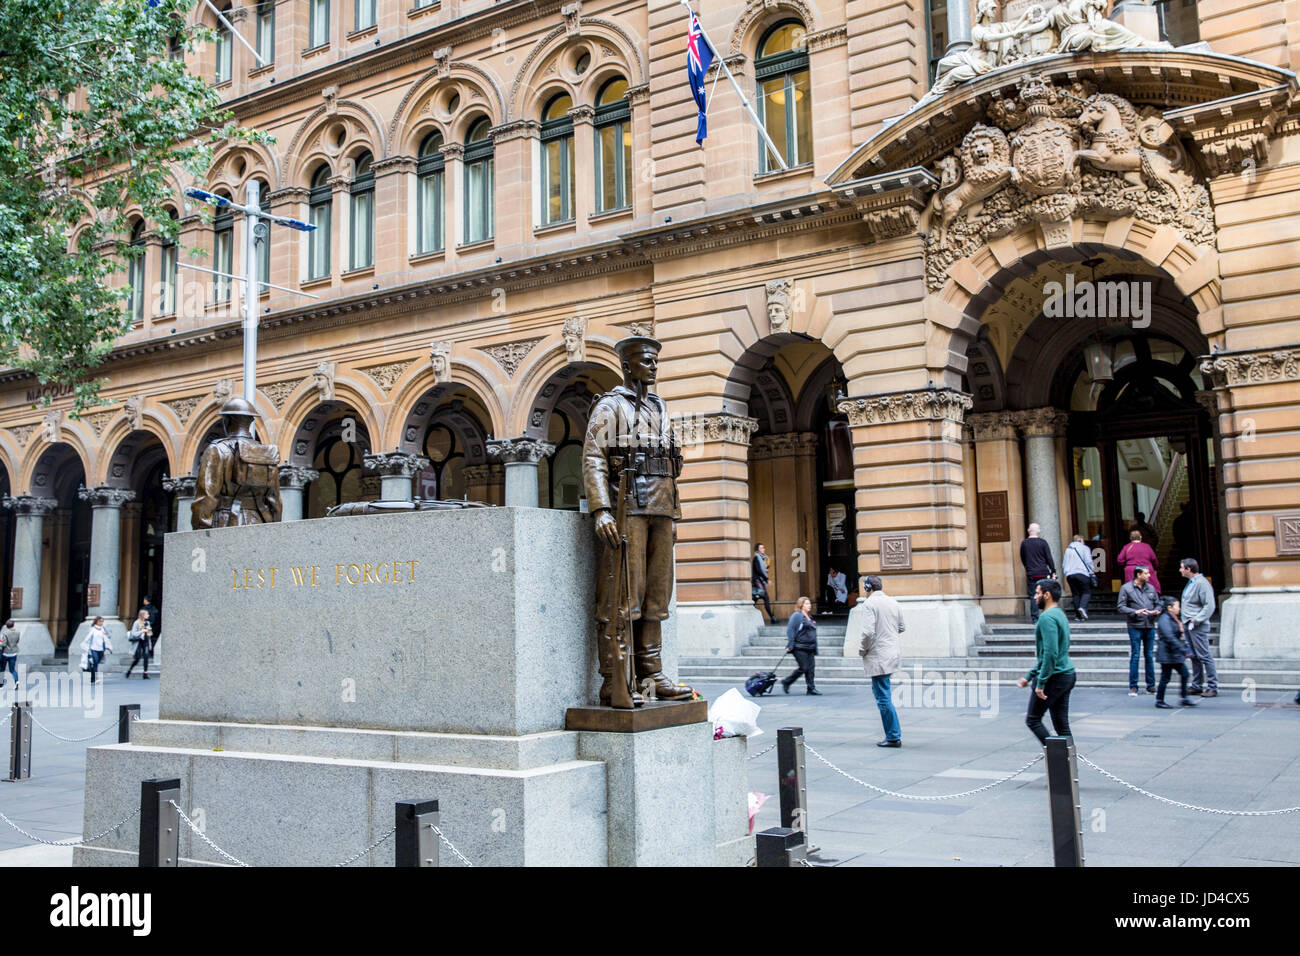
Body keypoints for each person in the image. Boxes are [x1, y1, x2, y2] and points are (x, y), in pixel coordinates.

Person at [582, 334, 694, 705]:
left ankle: (652, 674)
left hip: (662, 508)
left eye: (656, 360)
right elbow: (595, 458)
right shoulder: (611, 406)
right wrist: (600, 509)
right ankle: (615, 679)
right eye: (647, 361)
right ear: (628, 366)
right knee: (623, 598)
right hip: (627, 506)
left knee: (656, 599)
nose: (654, 366)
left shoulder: (661, 407)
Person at [1017, 579, 1076, 745]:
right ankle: (1068, 764)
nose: (1035, 597)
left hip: (1054, 676)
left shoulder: (1046, 618)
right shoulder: (1059, 613)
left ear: (1047, 595)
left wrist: (1041, 683)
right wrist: (1029, 676)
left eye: (1037, 593)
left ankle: (1057, 757)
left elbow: (1050, 653)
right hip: (1066, 674)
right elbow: (1050, 654)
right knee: (1062, 726)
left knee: (1033, 720)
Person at [858, 575, 905, 747]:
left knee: (883, 697)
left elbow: (867, 633)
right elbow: (902, 627)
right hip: (892, 653)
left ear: (868, 588)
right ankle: (893, 734)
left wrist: (862, 649)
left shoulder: (869, 604)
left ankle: (893, 736)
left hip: (878, 655)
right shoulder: (893, 602)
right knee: (883, 692)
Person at [1116, 565, 1159, 695]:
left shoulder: (1151, 588)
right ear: (1138, 574)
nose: (1149, 575)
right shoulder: (1126, 588)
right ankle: (1133, 685)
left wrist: (1157, 610)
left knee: (1149, 655)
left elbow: (1158, 603)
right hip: (1135, 625)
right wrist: (1135, 611)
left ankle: (1151, 685)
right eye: (1146, 573)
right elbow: (1121, 606)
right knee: (1135, 655)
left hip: (1149, 625)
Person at [1179, 558, 1218, 698]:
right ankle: (1197, 685)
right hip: (1189, 624)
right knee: (1194, 656)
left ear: (1188, 569)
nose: (1180, 570)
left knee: (1204, 656)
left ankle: (1212, 686)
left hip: (1197, 625)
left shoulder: (1202, 583)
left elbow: (1209, 605)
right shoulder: (1192, 583)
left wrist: (1197, 620)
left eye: (1182, 568)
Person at [1154, 596, 1196, 709]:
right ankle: (1159, 700)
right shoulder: (1164, 619)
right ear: (1169, 608)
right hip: (1167, 653)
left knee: (1184, 674)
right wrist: (1183, 650)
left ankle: (1184, 697)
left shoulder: (1172, 618)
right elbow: (1169, 637)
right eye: (1177, 606)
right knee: (1165, 677)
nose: (1179, 609)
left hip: (1174, 653)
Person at [781, 596, 820, 695]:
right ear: (801, 605)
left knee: (811, 669)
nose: (809, 605)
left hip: (810, 647)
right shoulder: (797, 616)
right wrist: (790, 644)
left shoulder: (810, 617)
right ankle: (787, 681)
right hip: (799, 647)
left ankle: (811, 688)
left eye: (809, 603)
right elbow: (790, 630)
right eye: (806, 604)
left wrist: (815, 647)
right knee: (804, 667)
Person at [1019, 522, 1056, 622]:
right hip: (1043, 572)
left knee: (1033, 595)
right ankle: (1046, 615)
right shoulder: (1043, 542)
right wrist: (1053, 570)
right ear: (1039, 531)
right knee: (1045, 594)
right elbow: (1049, 558)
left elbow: (1023, 557)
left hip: (1031, 573)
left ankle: (1035, 618)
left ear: (1028, 531)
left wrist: (1028, 567)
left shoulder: (1024, 543)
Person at [1061, 533, 1094, 621]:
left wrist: (1066, 573)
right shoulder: (1085, 548)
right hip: (1082, 572)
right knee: (1086, 592)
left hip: (1070, 574)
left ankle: (1078, 616)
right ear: (1081, 540)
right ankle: (1082, 608)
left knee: (1075, 594)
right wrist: (1091, 571)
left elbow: (1064, 563)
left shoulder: (1068, 549)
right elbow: (1088, 561)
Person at [1117, 529, 1161, 593]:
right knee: (1149, 591)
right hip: (1146, 570)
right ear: (1141, 537)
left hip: (1131, 572)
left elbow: (1120, 560)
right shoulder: (1147, 546)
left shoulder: (1126, 547)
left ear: (1130, 538)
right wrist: (1155, 568)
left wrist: (1126, 565)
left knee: (1133, 592)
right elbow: (1154, 560)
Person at [81, 616, 112, 684]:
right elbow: (87, 639)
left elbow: (109, 636)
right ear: (96, 622)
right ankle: (96, 679)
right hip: (93, 649)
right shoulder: (92, 629)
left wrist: (106, 635)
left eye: (102, 621)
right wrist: (86, 648)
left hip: (101, 649)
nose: (101, 623)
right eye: (100, 621)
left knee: (96, 663)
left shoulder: (103, 629)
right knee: (95, 663)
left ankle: (92, 678)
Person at [124, 608, 153, 679]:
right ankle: (130, 670)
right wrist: (142, 631)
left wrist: (150, 644)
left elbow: (149, 634)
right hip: (139, 642)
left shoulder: (147, 623)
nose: (148, 615)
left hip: (145, 641)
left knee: (146, 656)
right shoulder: (136, 623)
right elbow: (134, 633)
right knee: (137, 658)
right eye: (147, 614)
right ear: (143, 615)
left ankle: (145, 673)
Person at [751, 543, 774, 625]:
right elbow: (759, 571)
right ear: (758, 549)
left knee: (756, 599)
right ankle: (772, 618)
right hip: (757, 582)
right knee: (764, 598)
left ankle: (772, 617)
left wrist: (766, 571)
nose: (763, 549)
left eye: (764, 547)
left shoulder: (763, 558)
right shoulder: (756, 558)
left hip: (760, 582)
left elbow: (762, 570)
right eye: (761, 548)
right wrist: (767, 579)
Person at [0, 620, 17, 689]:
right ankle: (16, 681)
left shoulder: (5, 633)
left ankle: (1, 685)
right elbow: (17, 641)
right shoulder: (17, 632)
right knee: (12, 669)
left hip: (5, 654)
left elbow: (3, 644)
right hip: (13, 653)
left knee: (2, 669)